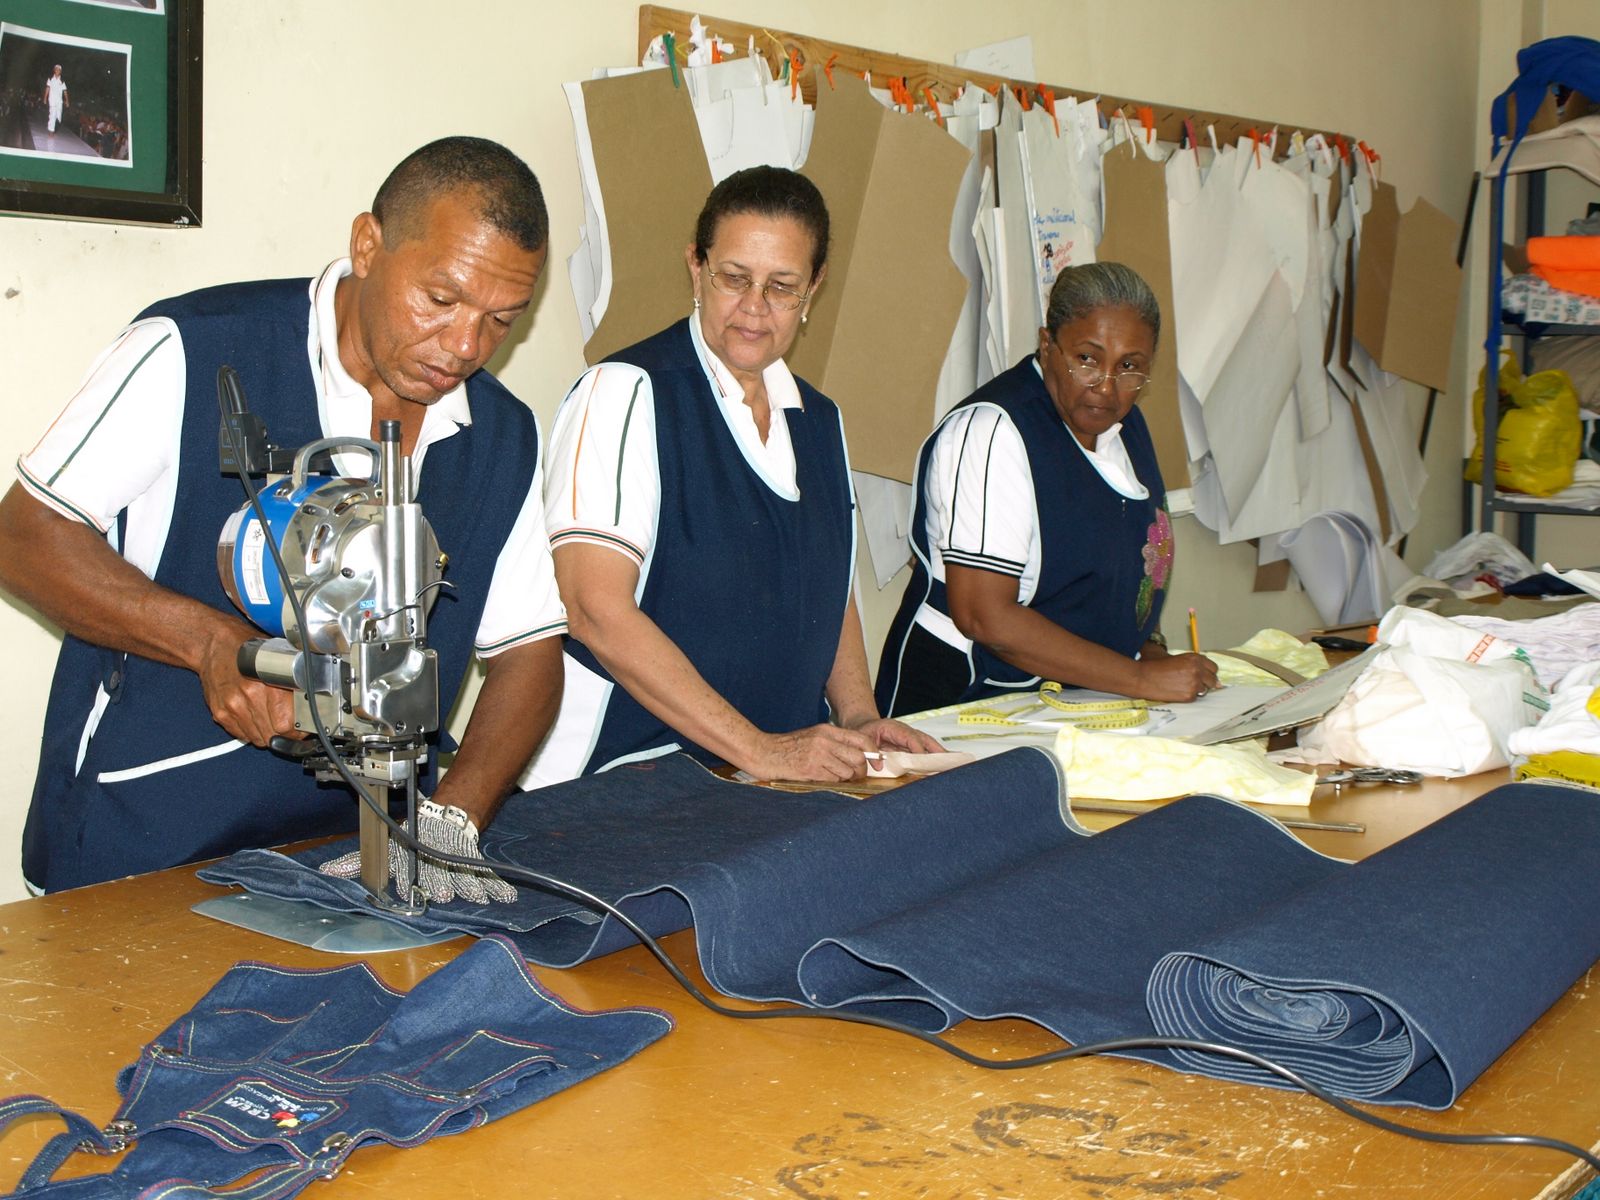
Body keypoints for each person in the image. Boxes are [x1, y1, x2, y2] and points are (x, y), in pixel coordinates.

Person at [0, 137, 565, 897]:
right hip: (142, 851)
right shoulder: (194, 352)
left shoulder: (501, 434)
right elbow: (22, 536)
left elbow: (530, 653)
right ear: (368, 245)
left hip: (356, 855)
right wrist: (209, 642)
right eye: (440, 300)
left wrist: (451, 820)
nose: (465, 345)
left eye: (502, 319)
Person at [524, 165, 938, 786]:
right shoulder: (626, 393)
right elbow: (594, 608)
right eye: (734, 278)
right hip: (625, 776)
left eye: (782, 287)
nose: (754, 308)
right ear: (696, 266)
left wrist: (857, 715)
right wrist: (762, 749)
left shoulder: (819, 420)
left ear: (814, 289)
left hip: (766, 781)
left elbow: (829, 590)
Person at [875, 262, 1218, 717]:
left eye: (1130, 367)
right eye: (1087, 359)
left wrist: (1148, 649)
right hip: (961, 707)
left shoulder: (1125, 426)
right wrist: (1137, 678)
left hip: (1068, 702)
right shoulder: (993, 431)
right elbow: (984, 616)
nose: (1107, 387)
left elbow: (1122, 566)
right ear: (1047, 345)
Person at [43, 65, 66, 134]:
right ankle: (51, 131)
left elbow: (65, 91)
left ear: (60, 71)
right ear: (54, 70)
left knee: (58, 117)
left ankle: (52, 127)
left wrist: (67, 100)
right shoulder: (50, 78)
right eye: (56, 69)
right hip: (52, 100)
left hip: (59, 101)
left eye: (59, 70)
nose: (57, 71)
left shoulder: (62, 80)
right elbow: (47, 88)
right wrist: (45, 98)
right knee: (52, 114)